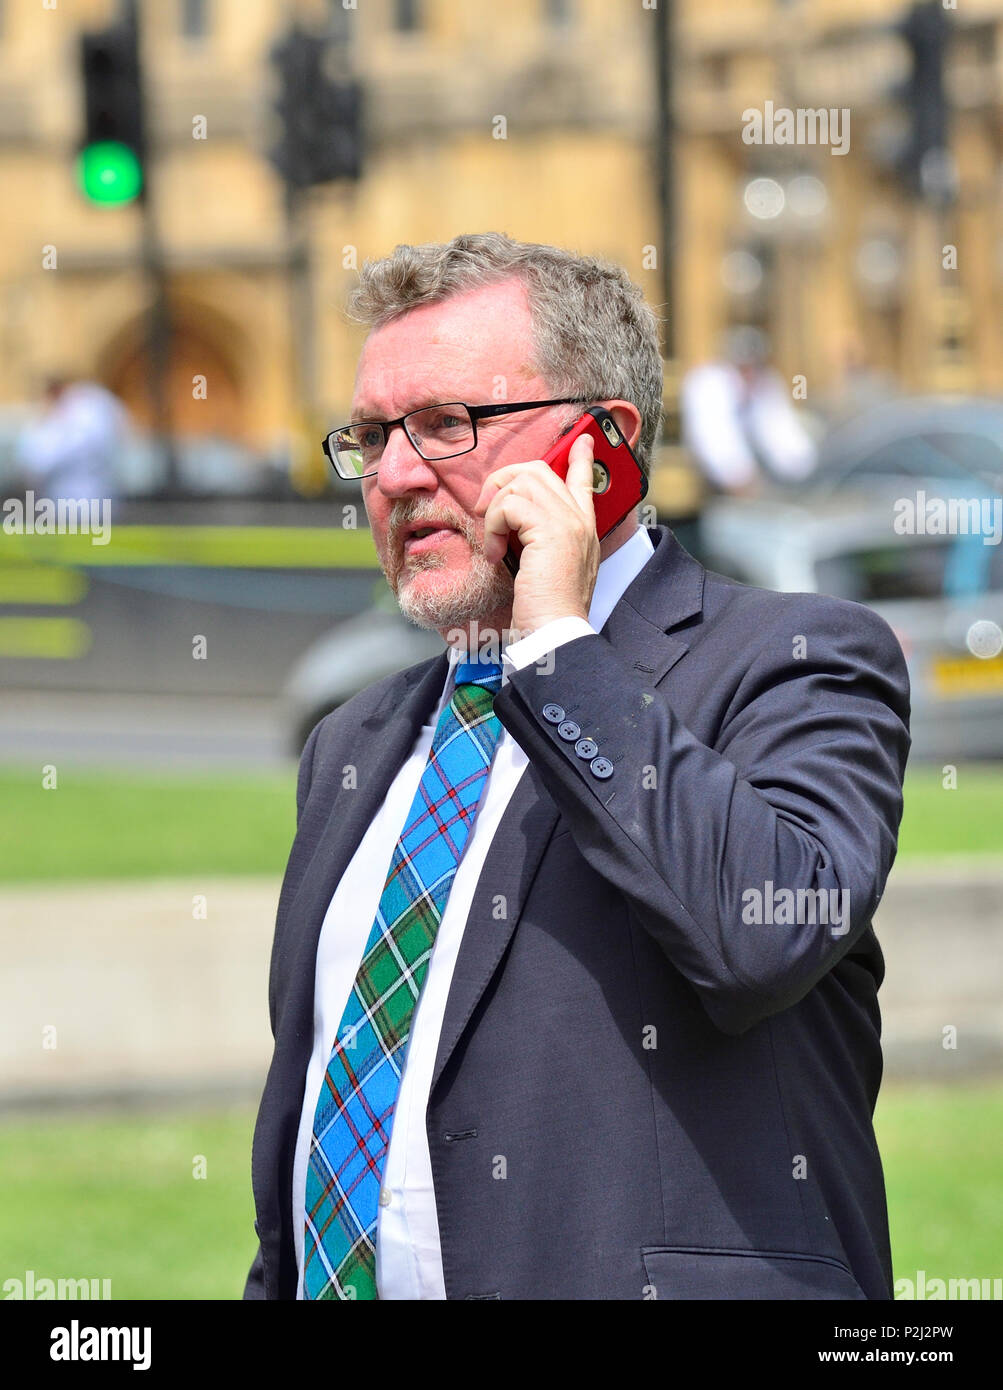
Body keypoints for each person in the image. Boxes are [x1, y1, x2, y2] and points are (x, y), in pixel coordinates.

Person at [244, 233, 910, 1301]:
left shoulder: (796, 660)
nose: (399, 475)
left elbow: (757, 934)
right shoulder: (351, 745)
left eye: (447, 423)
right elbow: (317, 1121)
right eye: (372, 436)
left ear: (601, 447)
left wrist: (555, 644)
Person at [681, 326, 818, 494]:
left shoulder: (766, 382)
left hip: (761, 483)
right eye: (744, 368)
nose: (750, 374)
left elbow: (783, 431)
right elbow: (714, 438)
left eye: (755, 366)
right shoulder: (708, 383)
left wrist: (800, 468)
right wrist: (739, 477)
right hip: (712, 488)